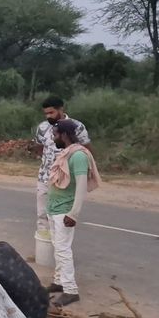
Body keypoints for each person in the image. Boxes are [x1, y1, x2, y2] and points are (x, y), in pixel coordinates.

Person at [46, 119, 101, 307]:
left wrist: (74, 214)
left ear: (64, 135)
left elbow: (81, 187)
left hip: (65, 211)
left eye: (55, 135)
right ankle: (59, 282)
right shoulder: (66, 154)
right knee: (57, 248)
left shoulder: (78, 156)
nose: (54, 138)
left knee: (63, 250)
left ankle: (70, 290)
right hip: (54, 209)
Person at [32, 97, 91, 237]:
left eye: (51, 113)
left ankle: (60, 247)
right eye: (46, 113)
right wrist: (47, 163)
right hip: (45, 177)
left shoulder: (76, 126)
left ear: (61, 109)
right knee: (42, 214)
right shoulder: (43, 127)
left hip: (66, 180)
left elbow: (86, 149)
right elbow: (39, 147)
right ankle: (44, 248)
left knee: (60, 217)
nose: (48, 116)